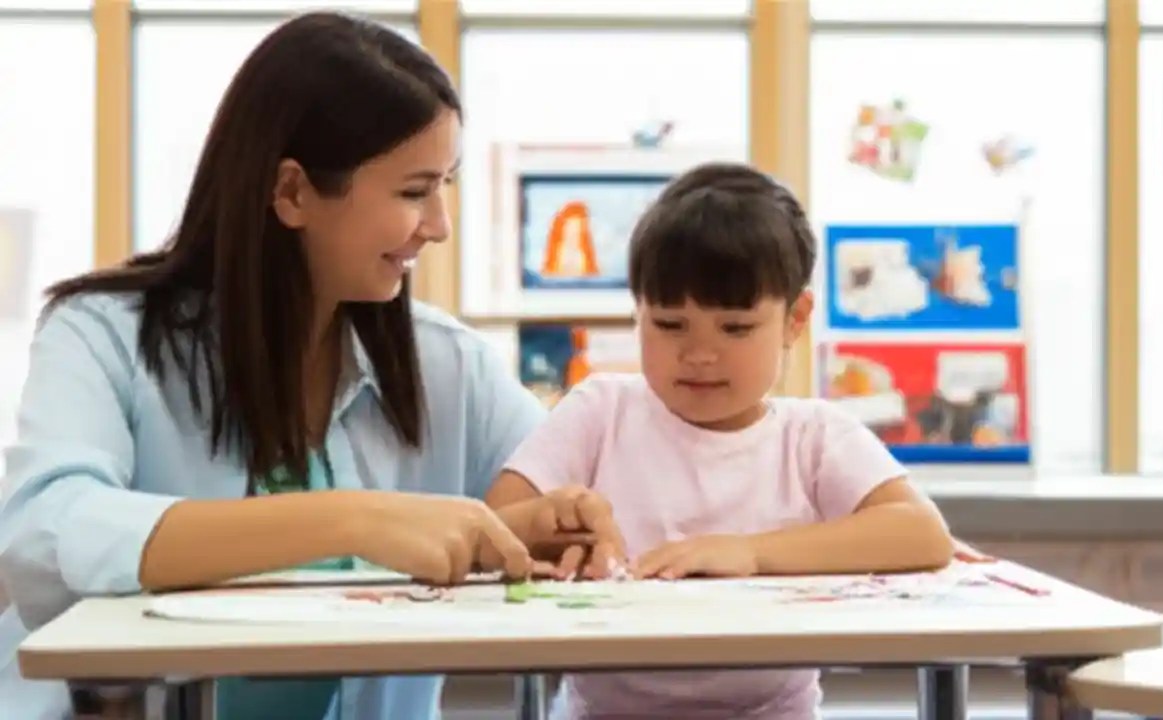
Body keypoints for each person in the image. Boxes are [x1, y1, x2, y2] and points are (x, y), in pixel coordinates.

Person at [0, 12, 620, 720]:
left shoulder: (451, 366)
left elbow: (545, 503)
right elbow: (44, 536)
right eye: (415, 191)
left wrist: (555, 524)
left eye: (443, 185)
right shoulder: (102, 336)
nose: (439, 225)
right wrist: (347, 521)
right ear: (292, 192)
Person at [485, 162, 956, 719]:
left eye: (735, 328)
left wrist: (751, 552)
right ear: (637, 311)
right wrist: (547, 521)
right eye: (669, 324)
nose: (700, 354)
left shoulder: (813, 436)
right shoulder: (601, 410)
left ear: (795, 320)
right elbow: (491, 527)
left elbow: (922, 534)